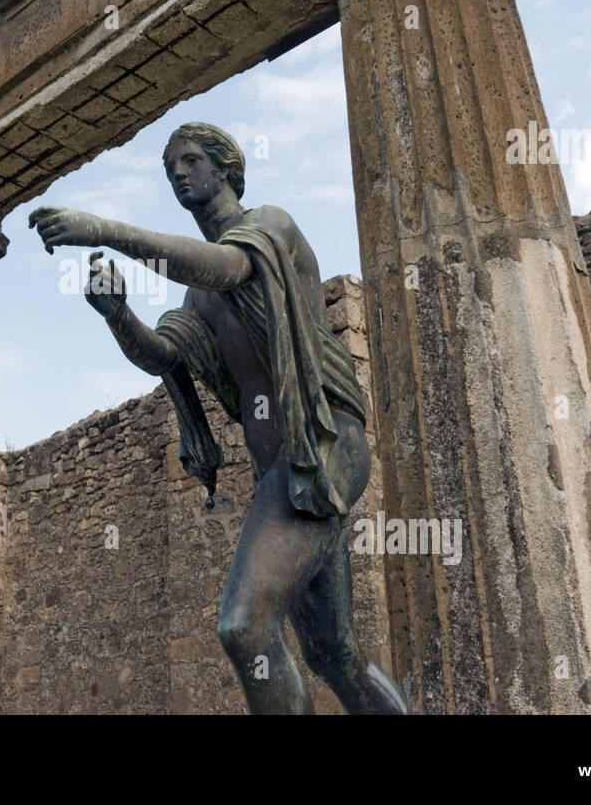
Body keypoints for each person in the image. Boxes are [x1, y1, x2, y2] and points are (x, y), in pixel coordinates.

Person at [28, 122, 409, 714]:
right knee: (335, 652)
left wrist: (104, 230)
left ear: (228, 168)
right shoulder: (198, 298)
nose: (179, 172)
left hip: (325, 445)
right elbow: (164, 355)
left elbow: (226, 267)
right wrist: (116, 313)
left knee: (243, 625)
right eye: (170, 166)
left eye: (191, 159)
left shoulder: (271, 230)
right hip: (283, 470)